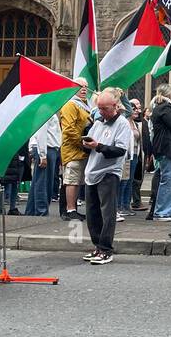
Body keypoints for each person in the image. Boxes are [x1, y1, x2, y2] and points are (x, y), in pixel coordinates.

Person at [82, 88, 134, 265]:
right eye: (99, 108)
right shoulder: (98, 123)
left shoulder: (122, 124)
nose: (101, 112)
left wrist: (98, 146)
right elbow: (90, 147)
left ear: (115, 106)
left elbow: (119, 151)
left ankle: (106, 249)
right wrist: (87, 144)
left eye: (104, 108)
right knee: (92, 213)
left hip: (108, 172)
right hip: (92, 172)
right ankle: (97, 246)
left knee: (107, 213)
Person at [145, 85, 171, 221]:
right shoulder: (165, 108)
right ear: (169, 94)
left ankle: (168, 211)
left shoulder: (161, 107)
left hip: (166, 148)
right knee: (169, 181)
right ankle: (162, 212)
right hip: (168, 148)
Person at [59, 79, 91, 221]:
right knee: (71, 180)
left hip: (81, 150)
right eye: (80, 87)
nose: (84, 89)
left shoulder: (85, 105)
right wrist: (83, 143)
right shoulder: (70, 104)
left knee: (77, 181)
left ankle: (72, 209)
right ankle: (70, 209)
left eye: (86, 87)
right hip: (73, 149)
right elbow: (69, 130)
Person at [26, 111, 61, 217]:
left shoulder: (48, 110)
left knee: (39, 181)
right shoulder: (45, 110)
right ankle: (41, 211)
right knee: (43, 183)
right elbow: (41, 133)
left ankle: (31, 211)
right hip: (47, 148)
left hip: (48, 148)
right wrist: (43, 155)